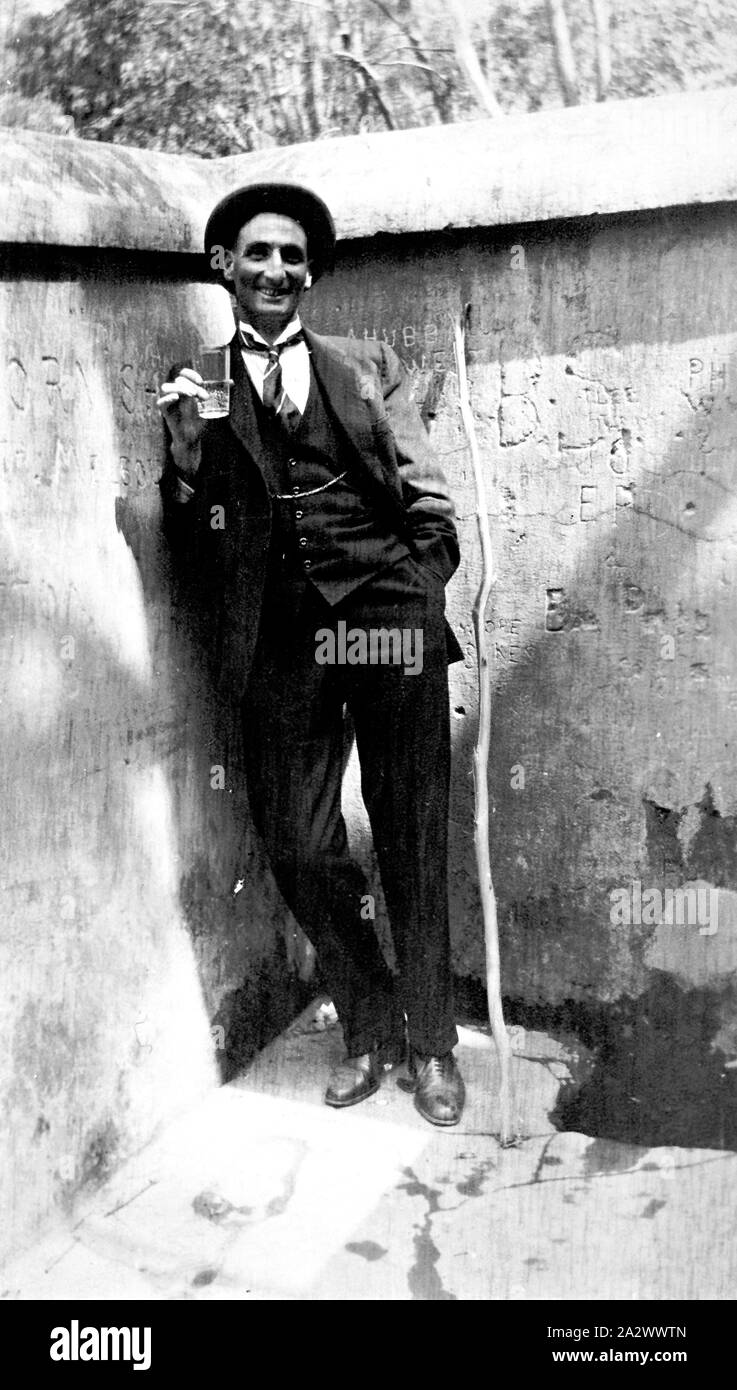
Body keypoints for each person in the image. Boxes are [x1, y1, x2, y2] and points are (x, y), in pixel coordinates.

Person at [157, 181, 465, 1125]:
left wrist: (414, 594)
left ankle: (430, 1044)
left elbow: (429, 505)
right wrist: (186, 450)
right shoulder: (194, 383)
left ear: (310, 273)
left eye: (293, 257)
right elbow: (194, 537)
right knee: (297, 842)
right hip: (280, 643)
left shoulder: (366, 365)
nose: (276, 271)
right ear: (223, 267)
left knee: (409, 830)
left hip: (383, 622)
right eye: (257, 254)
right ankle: (369, 1014)